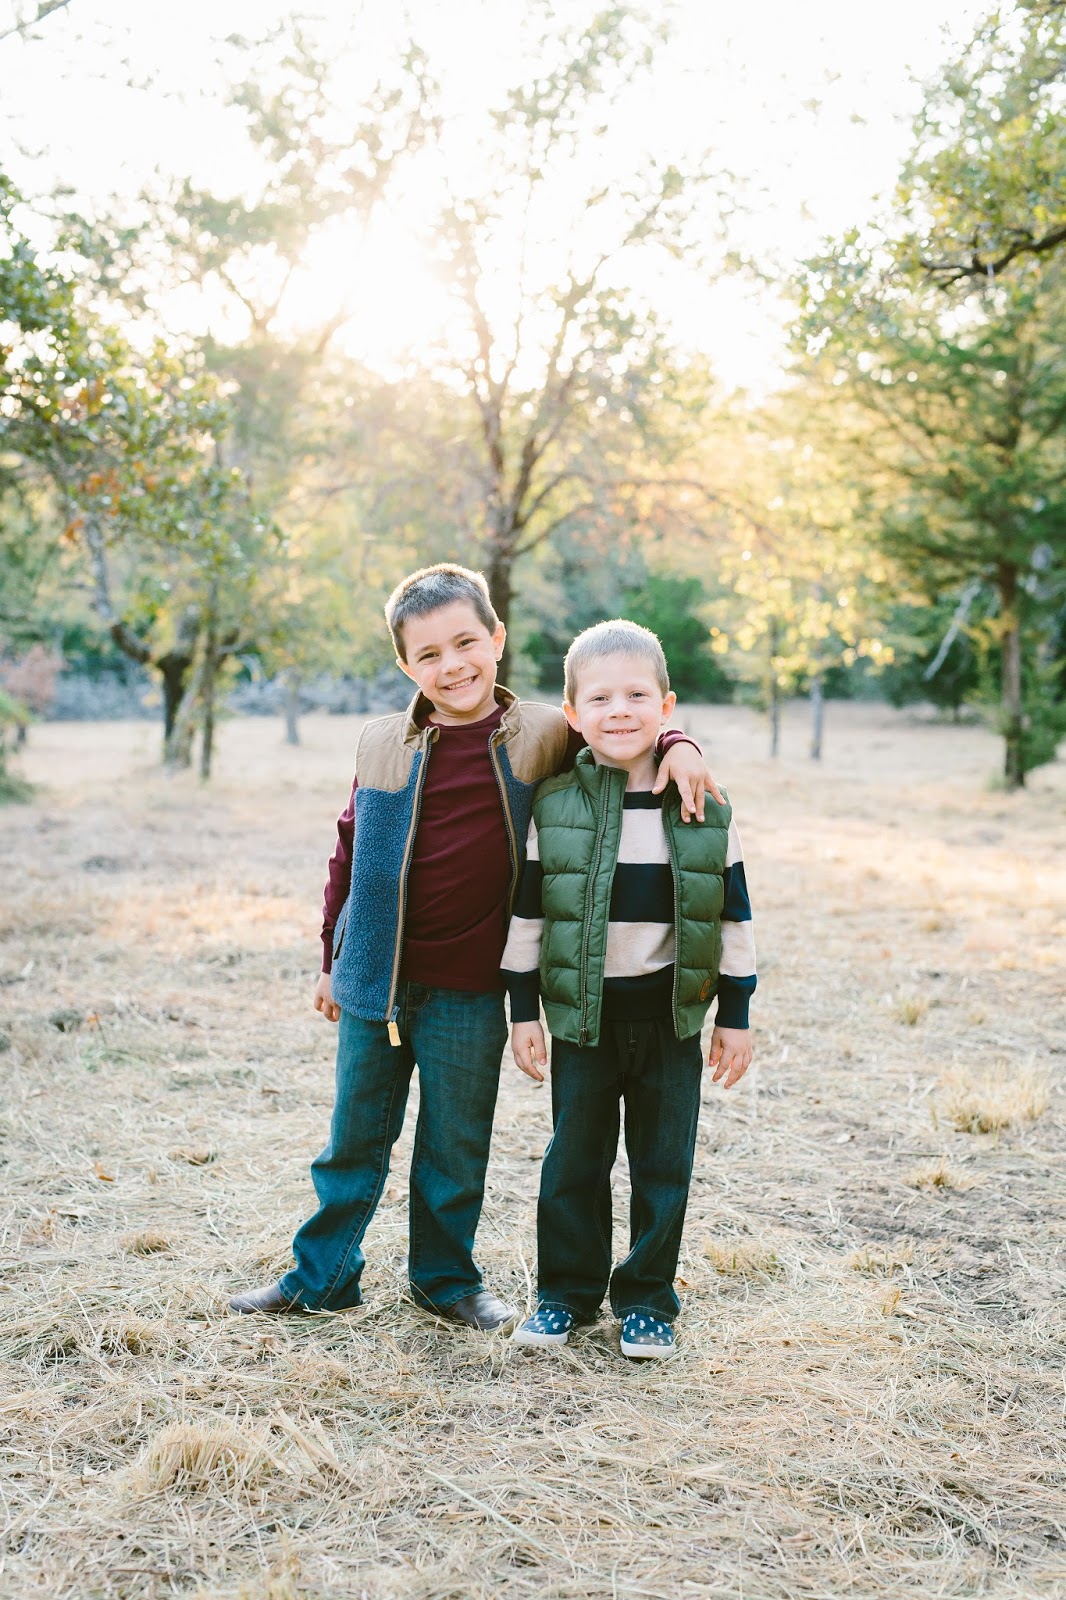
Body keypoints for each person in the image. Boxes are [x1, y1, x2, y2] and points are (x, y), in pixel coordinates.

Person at [229, 566, 721, 1330]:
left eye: (466, 643)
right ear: (405, 666)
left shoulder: (540, 734)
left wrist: (683, 742)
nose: (451, 665)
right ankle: (321, 1276)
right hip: (375, 980)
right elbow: (347, 855)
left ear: (496, 639)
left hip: (471, 987)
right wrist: (331, 957)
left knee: (455, 1150)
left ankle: (444, 1279)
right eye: (428, 654)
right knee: (352, 1143)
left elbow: (621, 730)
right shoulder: (380, 744)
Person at [502, 619, 756, 1359]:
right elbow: (527, 914)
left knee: (661, 1163)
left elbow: (733, 912)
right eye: (601, 697)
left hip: (671, 1020)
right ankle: (565, 1295)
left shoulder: (705, 806)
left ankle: (648, 1299)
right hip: (583, 1019)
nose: (620, 710)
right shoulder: (555, 806)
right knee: (574, 1159)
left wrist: (734, 1014)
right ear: (574, 714)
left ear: (667, 705)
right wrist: (524, 1011)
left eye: (637, 694)